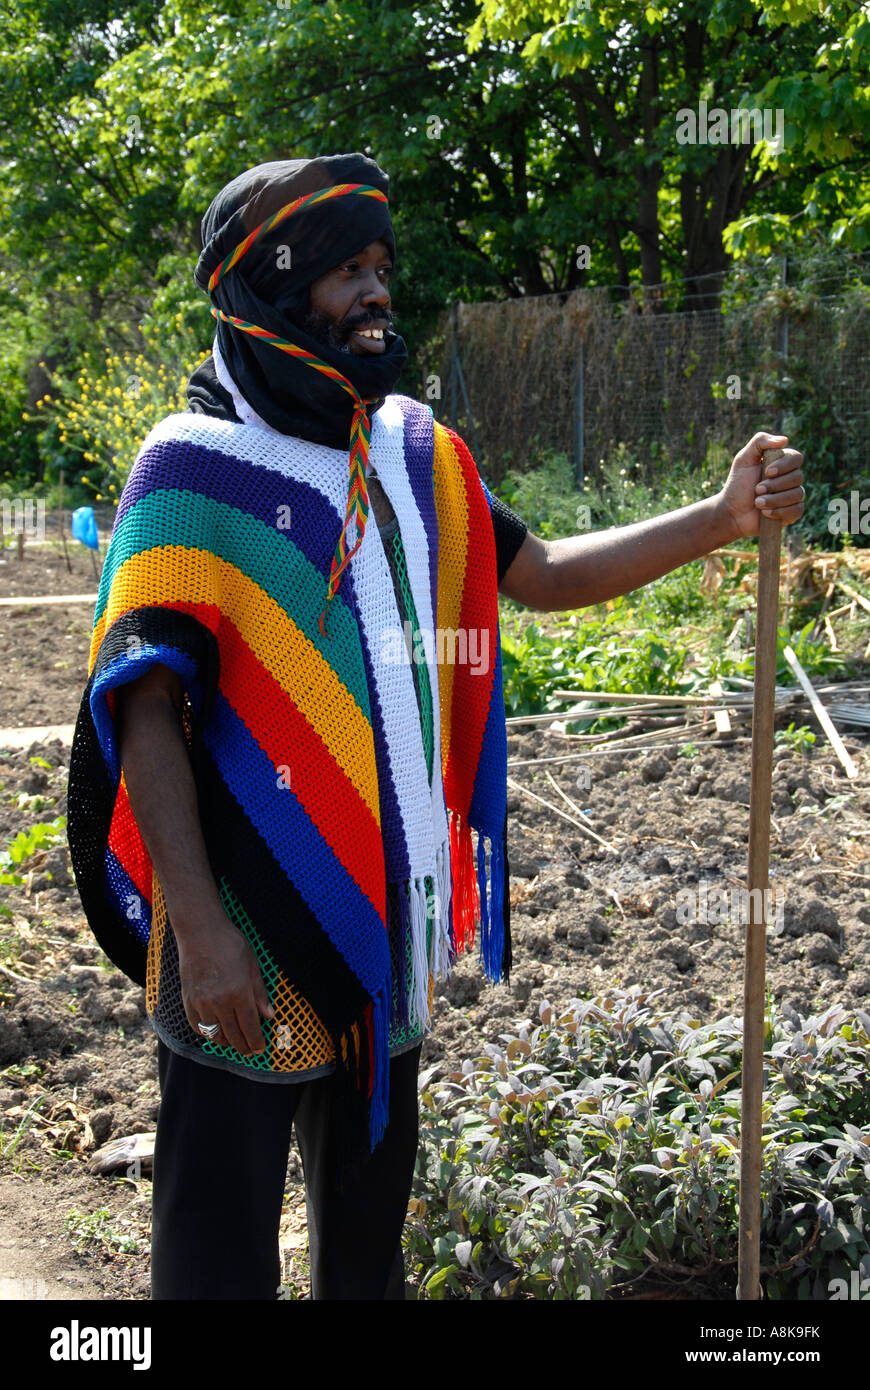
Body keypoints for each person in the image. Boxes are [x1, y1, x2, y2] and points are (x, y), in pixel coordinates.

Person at [66, 152, 805, 1302]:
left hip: (379, 937)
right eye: (342, 271)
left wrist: (715, 519)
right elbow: (142, 705)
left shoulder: (416, 454)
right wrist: (200, 929)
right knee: (213, 1265)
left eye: (380, 268)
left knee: (365, 1262)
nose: (374, 292)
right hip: (240, 945)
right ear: (267, 286)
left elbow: (544, 570)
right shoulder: (191, 473)